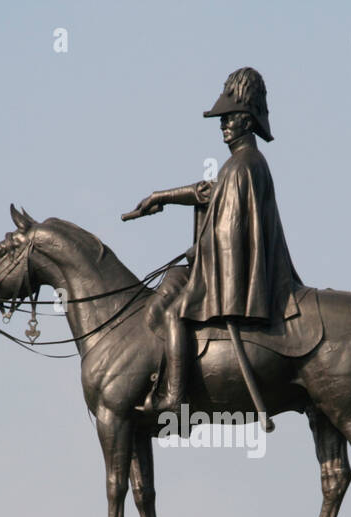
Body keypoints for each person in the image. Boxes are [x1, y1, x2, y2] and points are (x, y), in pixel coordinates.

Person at [124, 67, 304, 415]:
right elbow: (207, 192)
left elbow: (230, 232)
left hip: (230, 274)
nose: (223, 125)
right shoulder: (239, 164)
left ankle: (174, 396)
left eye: (229, 118)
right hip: (217, 264)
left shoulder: (242, 167)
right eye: (221, 119)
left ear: (248, 122)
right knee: (171, 280)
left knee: (175, 310)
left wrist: (200, 251)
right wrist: (162, 196)